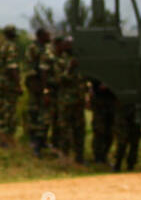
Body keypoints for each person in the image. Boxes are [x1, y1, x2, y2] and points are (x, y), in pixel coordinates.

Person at [52, 36, 86, 163]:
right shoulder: (60, 61)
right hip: (65, 101)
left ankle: (80, 158)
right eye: (68, 44)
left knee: (80, 129)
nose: (70, 47)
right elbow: (59, 80)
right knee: (64, 128)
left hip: (79, 99)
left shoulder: (79, 60)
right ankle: (64, 156)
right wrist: (70, 68)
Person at [24, 27, 53, 157]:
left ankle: (39, 142)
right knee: (40, 114)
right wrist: (45, 90)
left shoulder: (37, 47)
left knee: (36, 113)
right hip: (38, 85)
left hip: (35, 85)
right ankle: (37, 144)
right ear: (41, 36)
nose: (50, 36)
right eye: (47, 34)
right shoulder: (37, 49)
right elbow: (43, 71)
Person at [0, 25, 21, 145]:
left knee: (3, 110)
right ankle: (6, 139)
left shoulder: (3, 46)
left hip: (2, 82)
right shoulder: (11, 46)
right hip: (9, 84)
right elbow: (12, 67)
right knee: (9, 111)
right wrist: (18, 84)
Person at [89, 81, 116, 165]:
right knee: (99, 131)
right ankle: (97, 157)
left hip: (111, 103)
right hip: (99, 104)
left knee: (110, 133)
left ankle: (104, 157)